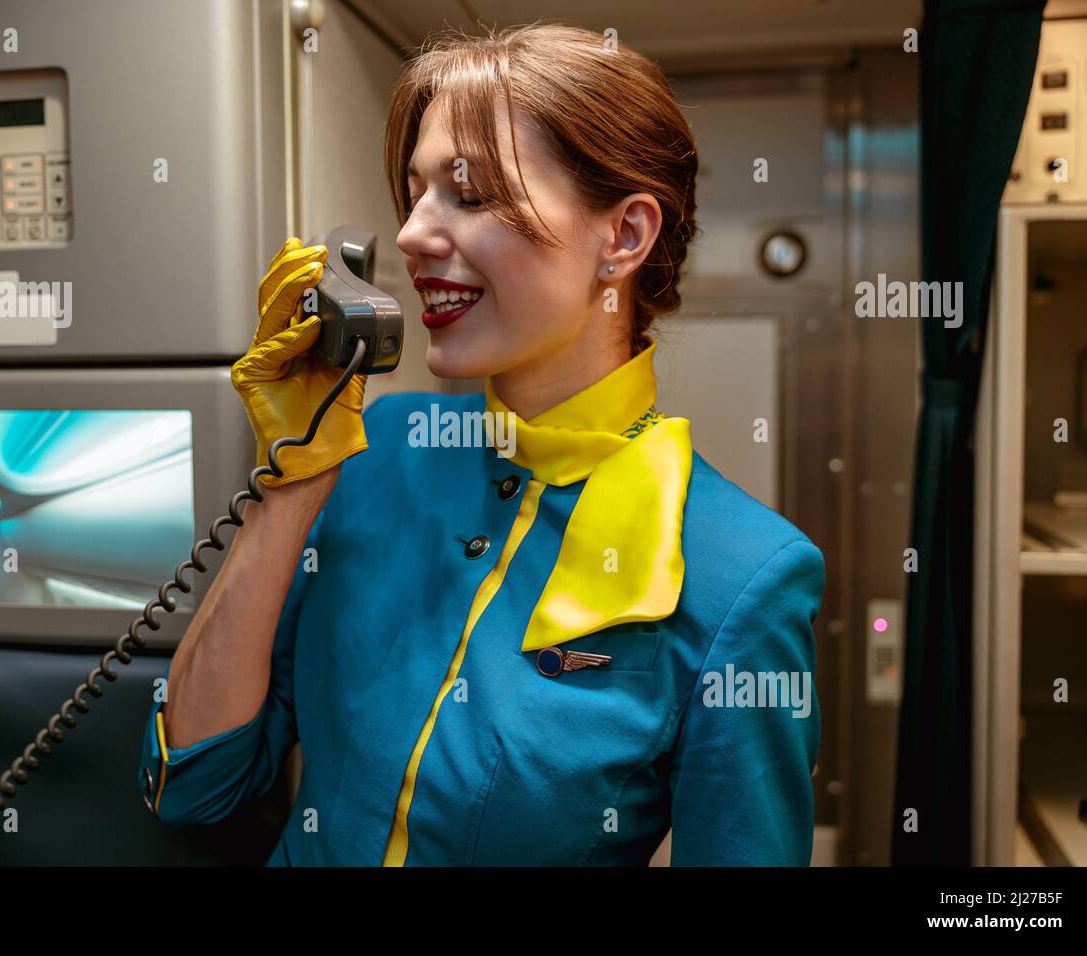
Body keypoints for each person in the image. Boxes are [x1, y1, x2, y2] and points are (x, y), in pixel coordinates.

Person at [138, 22, 824, 866]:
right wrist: (290, 481)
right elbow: (192, 784)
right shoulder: (369, 448)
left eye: (469, 194)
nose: (413, 236)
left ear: (624, 237)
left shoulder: (742, 579)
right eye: (417, 192)